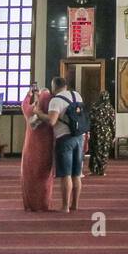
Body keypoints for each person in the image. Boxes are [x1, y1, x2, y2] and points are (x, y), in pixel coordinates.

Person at [34, 75, 85, 212]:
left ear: (54, 87)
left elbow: (52, 121)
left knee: (66, 174)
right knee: (77, 174)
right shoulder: (77, 95)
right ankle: (75, 204)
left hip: (64, 139)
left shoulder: (56, 100)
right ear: (66, 86)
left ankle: (64, 206)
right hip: (79, 137)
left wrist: (39, 113)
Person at [18, 82, 54, 211]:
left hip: (30, 147)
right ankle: (44, 204)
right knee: (44, 177)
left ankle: (30, 204)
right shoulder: (51, 113)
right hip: (45, 148)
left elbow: (24, 104)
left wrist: (30, 93)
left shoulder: (30, 110)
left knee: (30, 176)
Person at [88, 91, 116, 176]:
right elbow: (113, 123)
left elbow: (90, 119)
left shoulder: (94, 106)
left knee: (95, 151)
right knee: (104, 151)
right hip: (106, 133)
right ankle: (102, 170)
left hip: (95, 131)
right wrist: (114, 135)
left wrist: (89, 130)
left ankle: (94, 170)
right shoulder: (110, 108)